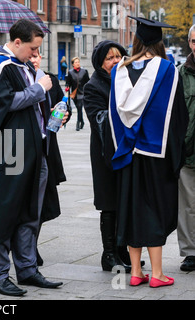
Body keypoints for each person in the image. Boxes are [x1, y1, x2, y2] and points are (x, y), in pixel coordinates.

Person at [0, 19, 63, 297]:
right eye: (32, 48)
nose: (35, 54)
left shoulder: (20, 66)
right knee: (3, 212)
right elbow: (1, 105)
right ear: (18, 42)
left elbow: (29, 106)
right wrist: (39, 89)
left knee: (29, 213)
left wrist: (53, 112)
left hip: (34, 150)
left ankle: (27, 268)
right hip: (6, 153)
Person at [109, 16, 188, 287]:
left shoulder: (119, 70)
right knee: (154, 208)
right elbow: (177, 116)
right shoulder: (167, 70)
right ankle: (156, 274)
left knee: (131, 207)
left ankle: (134, 272)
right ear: (159, 41)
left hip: (128, 153)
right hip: (156, 154)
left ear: (136, 40)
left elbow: (114, 116)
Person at [83, 40, 134, 272]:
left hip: (126, 150)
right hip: (105, 152)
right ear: (100, 63)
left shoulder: (128, 80)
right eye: (110, 58)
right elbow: (98, 118)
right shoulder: (94, 86)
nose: (116, 61)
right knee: (109, 202)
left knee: (125, 200)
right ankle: (109, 253)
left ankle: (123, 251)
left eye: (118, 56)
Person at [29, 49, 67, 267]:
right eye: (31, 55)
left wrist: (63, 115)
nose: (34, 60)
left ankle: (32, 244)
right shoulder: (20, 78)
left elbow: (61, 105)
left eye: (37, 55)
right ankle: (27, 247)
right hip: (27, 147)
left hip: (48, 146)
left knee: (43, 202)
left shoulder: (50, 79)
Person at [176, 24, 195, 272]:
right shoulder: (180, 73)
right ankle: (191, 252)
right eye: (194, 41)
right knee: (188, 205)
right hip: (188, 150)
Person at [66, 56, 90, 131]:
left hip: (82, 92)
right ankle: (82, 121)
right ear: (73, 64)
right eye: (76, 62)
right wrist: (67, 87)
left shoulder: (84, 71)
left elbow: (88, 81)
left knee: (79, 106)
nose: (78, 63)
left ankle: (78, 123)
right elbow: (68, 82)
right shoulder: (70, 72)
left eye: (78, 62)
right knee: (78, 108)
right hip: (74, 94)